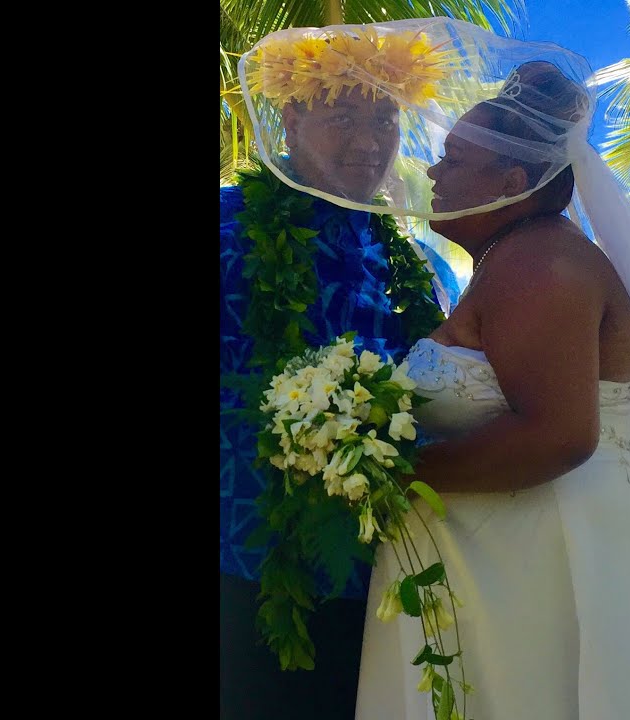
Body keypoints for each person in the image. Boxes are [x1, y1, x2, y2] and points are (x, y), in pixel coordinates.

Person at [240, 19, 630, 720]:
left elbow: (560, 436)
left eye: (455, 159)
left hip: (545, 568)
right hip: (515, 559)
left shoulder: (539, 262)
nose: (430, 170)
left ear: (512, 180)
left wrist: (386, 478)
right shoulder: (507, 261)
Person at [220, 26, 457, 720]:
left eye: (384, 117)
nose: (369, 140)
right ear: (291, 116)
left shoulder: (421, 268)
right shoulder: (226, 230)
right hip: (240, 569)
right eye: (341, 113)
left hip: (385, 581)